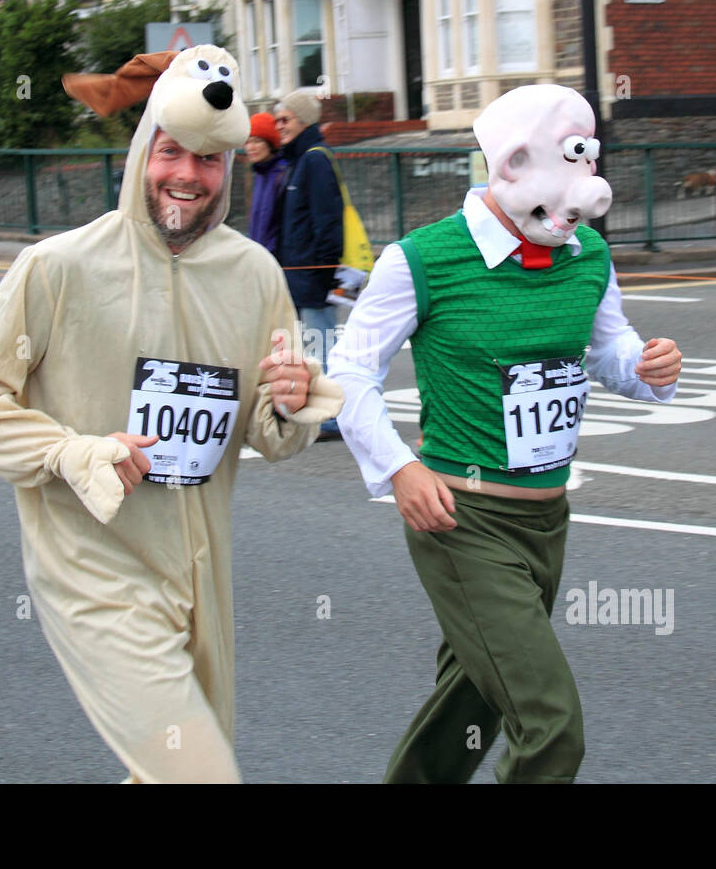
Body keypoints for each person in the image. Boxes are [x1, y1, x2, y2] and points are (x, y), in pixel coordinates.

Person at [0, 46, 343, 783]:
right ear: (141, 150)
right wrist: (74, 453)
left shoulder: (253, 274)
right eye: (171, 152)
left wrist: (288, 400)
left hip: (201, 575)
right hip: (94, 569)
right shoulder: (59, 267)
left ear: (229, 170)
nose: (187, 176)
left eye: (209, 160)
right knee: (201, 776)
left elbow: (273, 436)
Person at [329, 85, 683, 783]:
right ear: (510, 167)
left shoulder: (587, 257)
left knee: (467, 712)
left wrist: (651, 368)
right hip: (461, 519)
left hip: (548, 518)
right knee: (548, 724)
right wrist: (401, 468)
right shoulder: (423, 260)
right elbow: (348, 375)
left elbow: (612, 354)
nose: (571, 218)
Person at [274, 89, 344, 438]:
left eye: (285, 119)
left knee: (323, 343)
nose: (279, 127)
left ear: (304, 120)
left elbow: (328, 221)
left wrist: (322, 273)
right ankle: (324, 412)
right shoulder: (300, 160)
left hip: (312, 275)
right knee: (314, 344)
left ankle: (334, 417)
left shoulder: (314, 159)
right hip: (303, 273)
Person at [243, 112, 287, 255]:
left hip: (276, 261)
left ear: (271, 143)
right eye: (247, 142)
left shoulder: (283, 174)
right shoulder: (260, 173)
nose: (250, 147)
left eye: (256, 141)